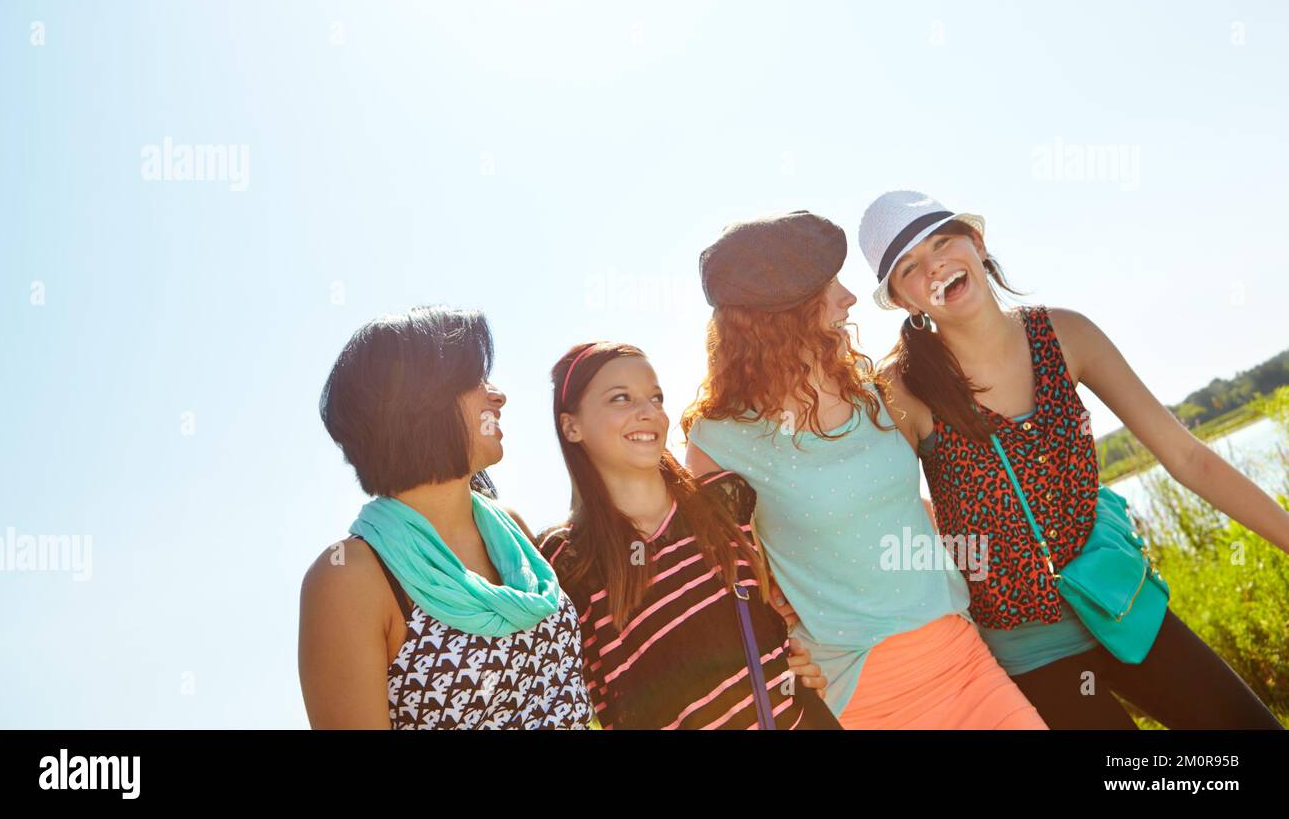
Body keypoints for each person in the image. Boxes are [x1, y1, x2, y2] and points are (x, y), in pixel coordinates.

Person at [859, 189, 1288, 729]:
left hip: (1120, 605)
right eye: (909, 268)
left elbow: (1186, 457)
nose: (935, 266)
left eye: (944, 242)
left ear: (977, 241)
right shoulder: (900, 390)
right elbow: (876, 523)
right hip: (1031, 656)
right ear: (903, 300)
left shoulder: (1066, 333)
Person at [683, 210, 1047, 729]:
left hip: (962, 652)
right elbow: (728, 581)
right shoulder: (717, 442)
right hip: (863, 689)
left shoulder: (874, 392)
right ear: (780, 313)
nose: (849, 297)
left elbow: (897, 511)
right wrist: (777, 641)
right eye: (827, 285)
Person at [299, 305, 594, 729]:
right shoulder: (348, 577)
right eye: (474, 381)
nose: (497, 395)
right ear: (419, 404)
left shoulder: (509, 528)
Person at [538, 340, 840, 729]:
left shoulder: (727, 501)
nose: (648, 413)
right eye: (621, 399)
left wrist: (794, 665)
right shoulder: (565, 563)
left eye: (655, 397)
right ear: (571, 426)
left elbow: (780, 614)